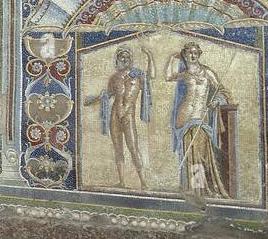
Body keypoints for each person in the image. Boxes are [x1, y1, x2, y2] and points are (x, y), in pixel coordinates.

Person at [165, 41, 234, 198]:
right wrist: (171, 58)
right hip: (184, 116)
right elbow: (168, 77)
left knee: (200, 152)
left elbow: (222, 90)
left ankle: (201, 188)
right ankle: (195, 188)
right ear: (184, 55)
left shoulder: (207, 72)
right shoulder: (185, 75)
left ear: (199, 54)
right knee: (189, 153)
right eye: (189, 53)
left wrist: (217, 100)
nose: (193, 55)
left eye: (196, 52)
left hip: (200, 116)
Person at [84, 44, 154, 189]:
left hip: (128, 115)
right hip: (114, 115)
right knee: (118, 148)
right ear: (118, 59)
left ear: (130, 59)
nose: (124, 59)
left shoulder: (138, 75)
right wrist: (94, 99)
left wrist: (149, 56)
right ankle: (122, 181)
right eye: (121, 57)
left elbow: (151, 76)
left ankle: (143, 182)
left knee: (133, 147)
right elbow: (108, 95)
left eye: (127, 57)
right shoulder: (114, 78)